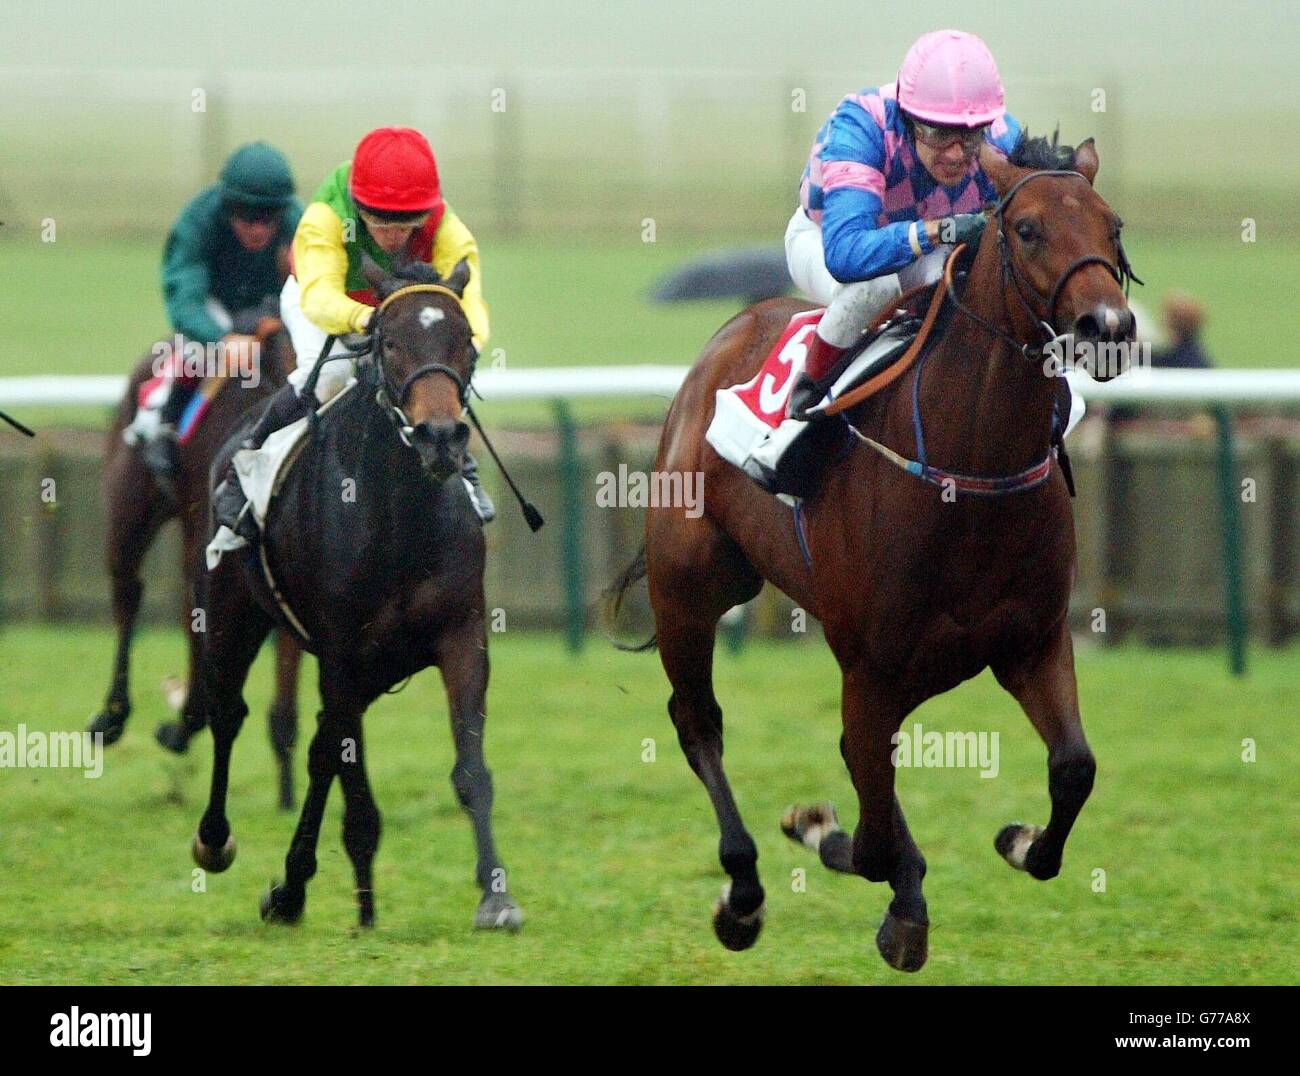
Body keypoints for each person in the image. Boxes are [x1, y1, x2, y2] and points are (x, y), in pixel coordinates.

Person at [217, 126, 494, 525]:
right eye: (380, 222)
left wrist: (467, 346)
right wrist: (370, 320)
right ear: (358, 205)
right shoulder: (325, 217)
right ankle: (245, 466)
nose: (394, 236)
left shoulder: (446, 226)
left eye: (407, 223)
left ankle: (461, 468)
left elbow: (469, 303)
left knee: (440, 370)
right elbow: (320, 298)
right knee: (329, 376)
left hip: (395, 315)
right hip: (321, 299)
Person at [784, 29, 1021, 418]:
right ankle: (806, 399)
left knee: (964, 284)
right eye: (939, 133)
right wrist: (937, 230)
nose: (957, 154)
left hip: (923, 251)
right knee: (874, 288)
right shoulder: (862, 126)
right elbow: (846, 255)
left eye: (970, 135)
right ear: (909, 119)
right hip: (826, 240)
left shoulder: (1002, 139)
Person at [133, 142, 302, 484]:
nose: (257, 229)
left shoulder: (299, 222)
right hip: (216, 306)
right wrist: (222, 339)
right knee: (195, 353)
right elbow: (185, 302)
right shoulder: (197, 222)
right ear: (227, 209)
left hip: (275, 309)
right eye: (246, 217)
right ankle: (163, 422)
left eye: (268, 219)